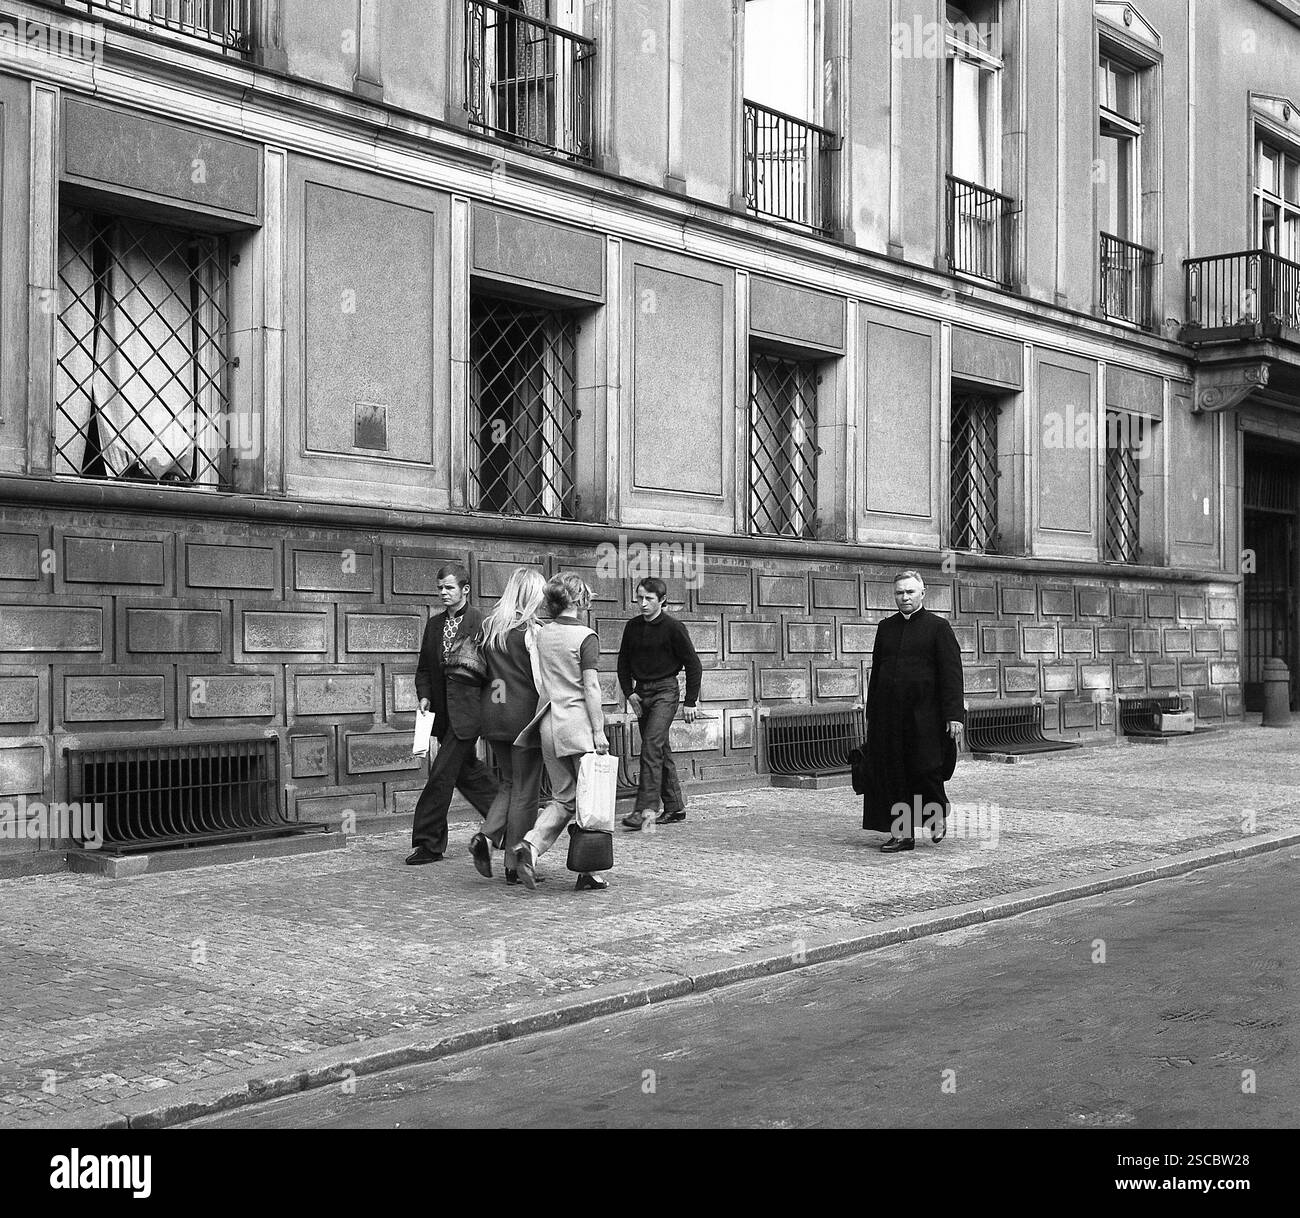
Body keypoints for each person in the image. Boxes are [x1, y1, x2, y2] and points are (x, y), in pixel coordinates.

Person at [512, 574, 612, 892]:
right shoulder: (586, 636)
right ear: (578, 600)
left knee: (563, 798)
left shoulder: (543, 634)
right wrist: (599, 731)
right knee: (591, 799)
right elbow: (591, 687)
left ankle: (530, 846)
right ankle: (589, 871)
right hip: (578, 724)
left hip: (547, 723)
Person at [864, 570, 965, 854]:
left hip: (926, 717)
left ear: (923, 593)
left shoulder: (938, 627)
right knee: (893, 774)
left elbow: (951, 674)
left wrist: (954, 715)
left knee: (926, 770)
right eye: (899, 593)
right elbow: (878, 672)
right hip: (890, 717)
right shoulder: (886, 628)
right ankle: (902, 835)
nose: (904, 597)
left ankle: (936, 817)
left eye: (910, 592)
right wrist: (872, 713)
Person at [407, 565, 499, 864]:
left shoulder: (482, 623)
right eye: (440, 588)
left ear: (465, 589)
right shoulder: (434, 625)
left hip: (469, 715)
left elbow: (496, 674)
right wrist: (423, 696)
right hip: (442, 715)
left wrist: (491, 711)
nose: (443, 593)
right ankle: (510, 824)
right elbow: (423, 669)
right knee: (468, 774)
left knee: (440, 776)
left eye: (449, 588)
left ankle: (429, 844)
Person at [471, 568, 547, 886]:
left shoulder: (490, 627)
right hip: (523, 719)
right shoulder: (532, 631)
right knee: (526, 791)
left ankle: (487, 837)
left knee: (508, 783)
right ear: (532, 596)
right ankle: (514, 863)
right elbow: (541, 680)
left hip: (493, 715)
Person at [616, 576, 702, 831]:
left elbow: (693, 665)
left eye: (649, 599)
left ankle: (645, 811)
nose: (642, 603)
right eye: (639, 598)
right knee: (659, 750)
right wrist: (629, 692)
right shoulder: (632, 627)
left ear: (662, 600)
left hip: (666, 691)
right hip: (642, 693)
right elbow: (623, 662)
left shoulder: (674, 628)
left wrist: (690, 702)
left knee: (651, 746)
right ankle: (675, 806)